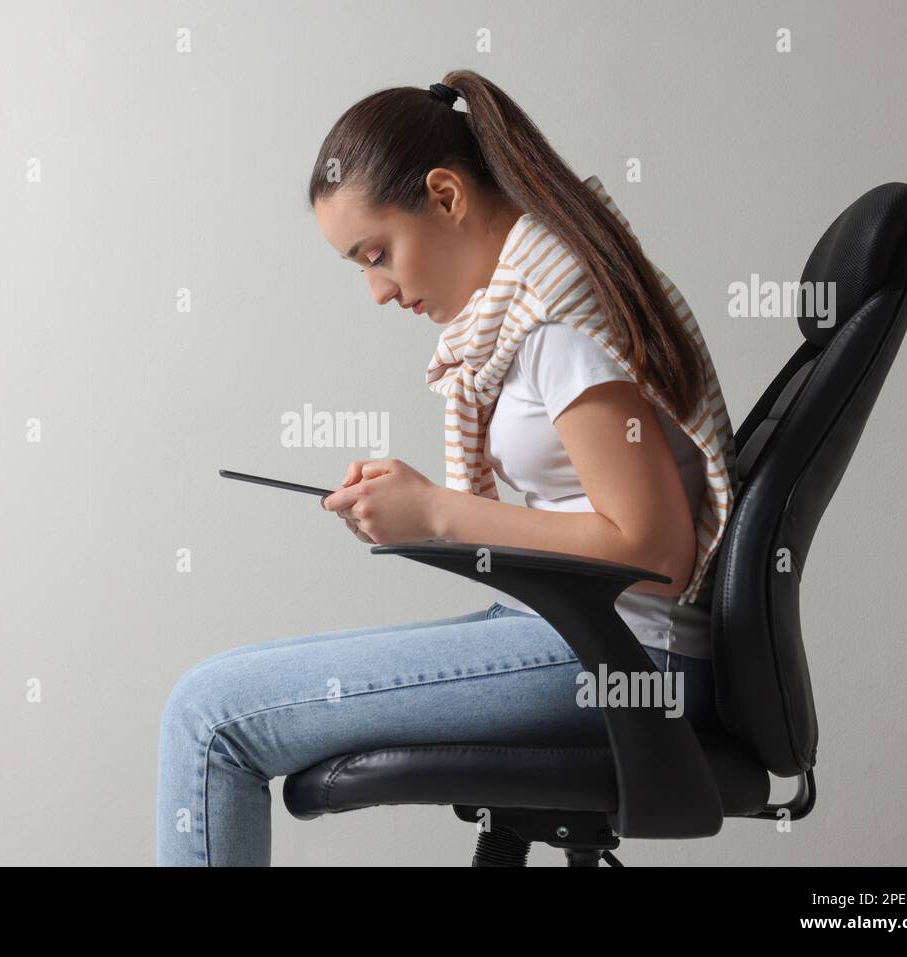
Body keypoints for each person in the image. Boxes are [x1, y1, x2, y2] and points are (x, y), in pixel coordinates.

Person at [156, 69, 738, 866]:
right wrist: (423, 510)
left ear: (446, 195)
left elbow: (655, 553)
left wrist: (435, 514)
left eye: (377, 252)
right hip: (591, 637)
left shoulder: (555, 319)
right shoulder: (532, 304)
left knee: (207, 714)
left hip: (625, 654)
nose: (377, 290)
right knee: (208, 702)